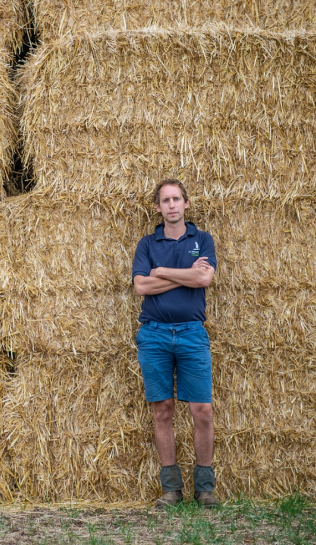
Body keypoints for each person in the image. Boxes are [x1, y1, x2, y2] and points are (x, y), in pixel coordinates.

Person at [132, 179, 218, 508]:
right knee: (162, 411)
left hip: (192, 334)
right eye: (165, 200)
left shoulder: (202, 240)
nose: (171, 205)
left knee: (202, 411)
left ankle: (204, 489)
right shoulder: (147, 244)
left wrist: (163, 272)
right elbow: (141, 287)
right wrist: (185, 275)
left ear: (186, 203)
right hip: (154, 335)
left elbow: (204, 278)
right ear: (158, 207)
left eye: (176, 199)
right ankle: (171, 490)